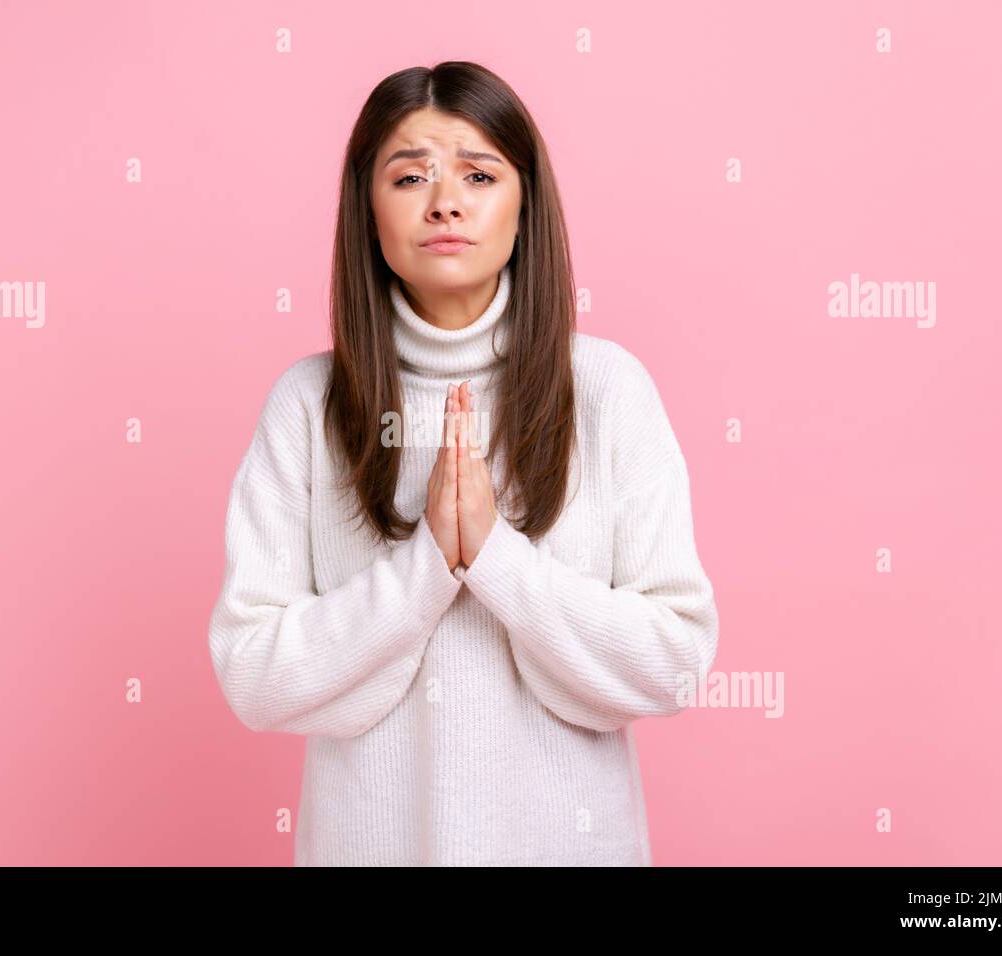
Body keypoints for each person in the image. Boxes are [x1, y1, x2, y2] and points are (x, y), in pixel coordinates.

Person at [207, 61, 719, 866]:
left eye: (478, 174)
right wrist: (424, 572)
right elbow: (255, 675)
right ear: (366, 208)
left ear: (525, 202)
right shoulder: (308, 406)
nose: (445, 200)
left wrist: (497, 560)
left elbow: (673, 664)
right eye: (410, 175)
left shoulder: (608, 391)